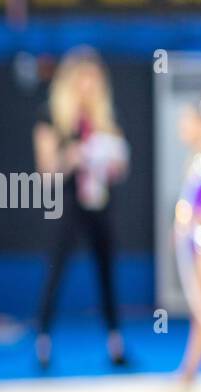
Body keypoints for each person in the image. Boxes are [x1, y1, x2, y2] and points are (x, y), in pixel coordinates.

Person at [33, 47, 131, 370]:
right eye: (83, 79)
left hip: (100, 204)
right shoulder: (52, 118)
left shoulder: (104, 120)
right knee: (56, 271)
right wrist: (71, 158)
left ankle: (115, 341)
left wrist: (111, 162)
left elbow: (121, 163)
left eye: (94, 80)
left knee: (107, 272)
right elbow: (46, 171)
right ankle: (43, 342)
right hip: (68, 204)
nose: (88, 86)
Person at [172, 94, 201, 387]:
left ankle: (188, 371)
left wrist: (194, 218)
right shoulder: (199, 160)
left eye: (188, 120)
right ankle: (189, 370)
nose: (182, 125)